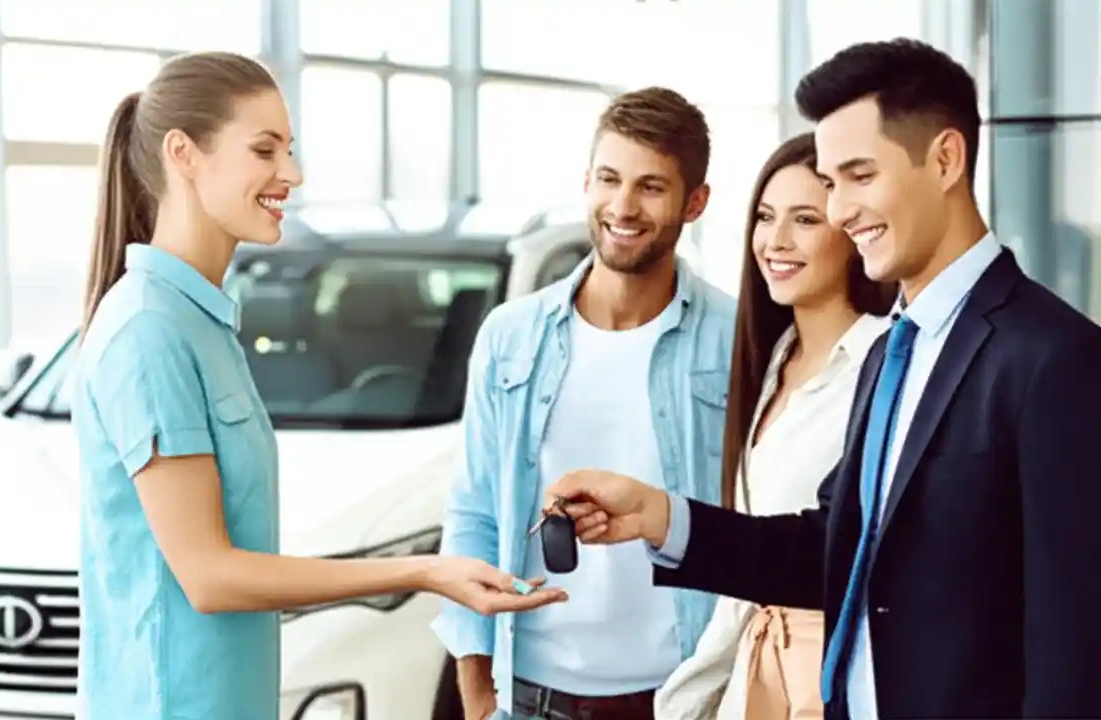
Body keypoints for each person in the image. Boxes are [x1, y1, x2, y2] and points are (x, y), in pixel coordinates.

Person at [545, 38, 1101, 720]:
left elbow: (1076, 647)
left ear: (946, 160)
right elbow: (834, 550)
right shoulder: (893, 352)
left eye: (860, 176)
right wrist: (658, 516)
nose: (840, 211)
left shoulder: (1056, 358)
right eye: (832, 183)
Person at [69, 51, 565, 720]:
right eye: (265, 150)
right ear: (183, 154)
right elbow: (211, 576)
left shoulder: (201, 321)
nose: (292, 174)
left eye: (290, 150)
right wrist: (422, 570)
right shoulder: (149, 329)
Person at [432, 87, 736, 720]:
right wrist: (476, 692)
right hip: (532, 694)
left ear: (695, 201)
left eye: (651, 187)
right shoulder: (511, 337)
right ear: (587, 182)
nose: (623, 206)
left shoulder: (737, 340)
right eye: (609, 179)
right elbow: (474, 515)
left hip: (687, 695)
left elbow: (760, 522)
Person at [653, 132, 894, 720]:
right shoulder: (775, 357)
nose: (776, 241)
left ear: (851, 230)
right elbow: (744, 587)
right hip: (755, 685)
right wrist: (687, 700)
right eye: (765, 217)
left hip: (834, 688)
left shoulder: (882, 365)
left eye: (805, 219)